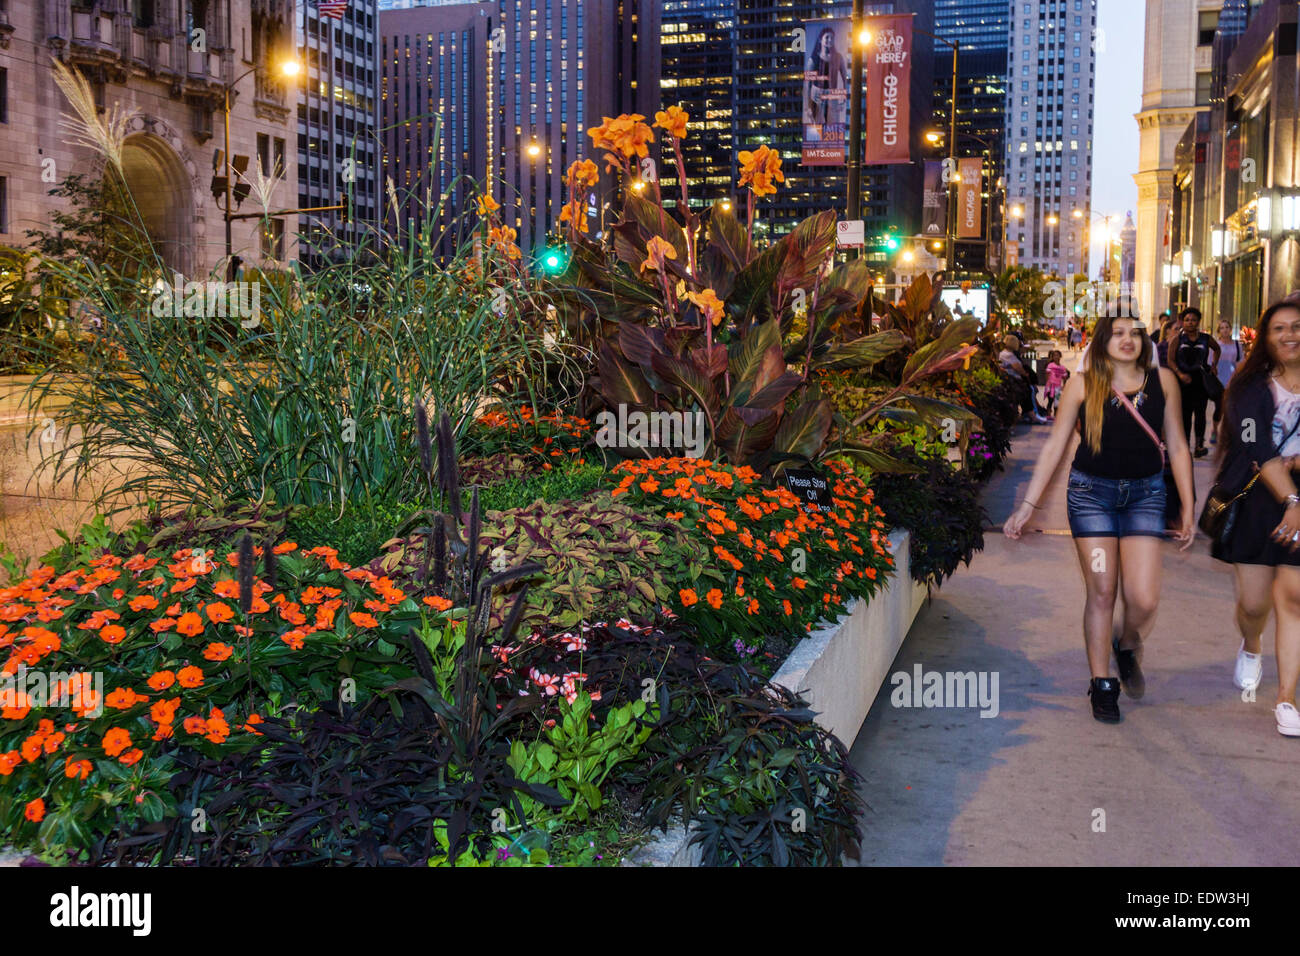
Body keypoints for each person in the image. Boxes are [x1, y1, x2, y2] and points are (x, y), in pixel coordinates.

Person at [1004, 308, 1195, 723]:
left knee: (1143, 598)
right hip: (1092, 498)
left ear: (1146, 341)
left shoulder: (1164, 384)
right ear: (1103, 341)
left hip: (1146, 496)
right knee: (1103, 589)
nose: (1127, 339)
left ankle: (1126, 642)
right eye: (1118, 333)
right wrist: (1027, 506)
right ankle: (1102, 683)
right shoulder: (1082, 385)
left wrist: (1190, 506)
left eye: (1136, 333)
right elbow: (1055, 448)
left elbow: (1178, 445)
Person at [1211, 300, 1300, 736]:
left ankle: (1286, 698)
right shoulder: (1249, 388)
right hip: (1258, 499)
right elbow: (1256, 447)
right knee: (1254, 604)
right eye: (1279, 328)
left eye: (1297, 327)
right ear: (1265, 337)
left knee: (1294, 598)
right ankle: (1251, 644)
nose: (1289, 335)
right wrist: (1293, 500)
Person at [1169, 307, 1222, 458]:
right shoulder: (1177, 339)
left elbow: (1217, 349)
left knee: (1200, 413)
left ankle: (1199, 445)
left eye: (1193, 320)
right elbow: (1171, 360)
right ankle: (1185, 445)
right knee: (1185, 414)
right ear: (1182, 322)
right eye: (1187, 320)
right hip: (1183, 381)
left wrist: (1213, 365)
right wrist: (1179, 374)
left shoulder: (1206, 338)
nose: (1190, 323)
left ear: (1198, 321)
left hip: (1201, 380)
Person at [998, 333, 1047, 424]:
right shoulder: (1008, 354)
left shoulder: (1005, 353)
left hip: (1012, 380)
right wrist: (1025, 374)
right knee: (1028, 391)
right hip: (1013, 380)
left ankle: (1030, 414)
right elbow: (1017, 367)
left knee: (1029, 391)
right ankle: (1032, 415)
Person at [1210, 318, 1241, 444]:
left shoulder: (1237, 345)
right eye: (1222, 328)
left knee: (1230, 406)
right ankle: (1215, 429)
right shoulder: (1215, 345)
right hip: (1218, 378)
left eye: (1227, 327)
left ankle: (1226, 433)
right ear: (1219, 330)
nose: (1225, 330)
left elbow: (1240, 362)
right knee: (1219, 407)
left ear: (1231, 329)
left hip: (1232, 377)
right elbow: (1209, 362)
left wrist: (1238, 377)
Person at [1044, 349, 1069, 417]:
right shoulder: (1050, 365)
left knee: (1057, 401)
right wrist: (1047, 384)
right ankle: (1048, 414)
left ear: (1060, 356)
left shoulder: (1062, 368)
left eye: (1057, 355)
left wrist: (1064, 386)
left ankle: (1056, 414)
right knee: (1050, 400)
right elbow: (1047, 374)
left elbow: (1064, 377)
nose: (1056, 357)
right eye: (1054, 355)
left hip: (1058, 387)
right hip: (1050, 386)